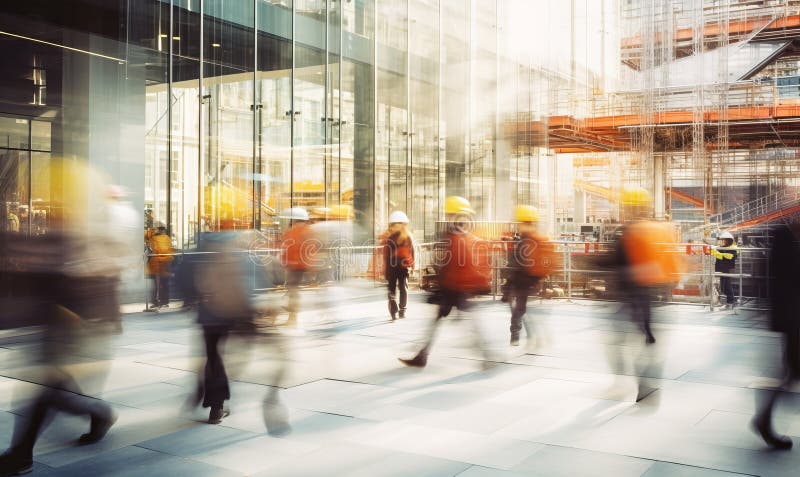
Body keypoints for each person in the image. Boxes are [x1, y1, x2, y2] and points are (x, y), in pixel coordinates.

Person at [399, 196, 491, 368]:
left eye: (450, 214)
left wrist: (446, 283)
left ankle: (487, 355)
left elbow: (460, 265)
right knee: (447, 322)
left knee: (467, 323)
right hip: (453, 290)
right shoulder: (457, 235)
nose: (449, 217)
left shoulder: (458, 237)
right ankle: (422, 356)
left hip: (456, 289)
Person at [752, 222, 800, 450]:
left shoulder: (782, 241)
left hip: (788, 320)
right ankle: (763, 419)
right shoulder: (789, 244)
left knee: (791, 373)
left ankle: (764, 418)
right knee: (791, 373)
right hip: (793, 320)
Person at [506, 205, 560, 346]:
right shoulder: (534, 239)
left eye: (521, 224)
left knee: (521, 309)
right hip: (527, 281)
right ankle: (521, 335)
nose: (520, 227)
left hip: (525, 281)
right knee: (521, 309)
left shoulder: (526, 240)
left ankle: (519, 335)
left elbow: (514, 263)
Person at [280, 207, 315, 327]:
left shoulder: (292, 231)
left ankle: (292, 318)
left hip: (294, 265)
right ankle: (292, 317)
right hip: (303, 264)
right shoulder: (309, 231)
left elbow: (286, 248)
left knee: (293, 290)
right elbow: (312, 247)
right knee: (293, 290)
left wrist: (285, 262)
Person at [382, 211, 415, 321]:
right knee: (402, 288)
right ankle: (400, 310)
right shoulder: (407, 237)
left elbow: (386, 254)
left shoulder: (390, 237)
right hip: (401, 267)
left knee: (393, 290)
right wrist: (413, 265)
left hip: (394, 267)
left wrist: (385, 270)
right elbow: (412, 252)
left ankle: (396, 310)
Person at [146, 225, 174, 310]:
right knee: (165, 284)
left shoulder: (154, 239)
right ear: (164, 231)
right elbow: (169, 251)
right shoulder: (167, 239)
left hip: (156, 264)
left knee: (156, 285)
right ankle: (164, 302)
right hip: (166, 263)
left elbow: (154, 249)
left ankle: (156, 302)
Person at [712, 230, 738, 309]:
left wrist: (718, 253)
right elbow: (717, 252)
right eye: (722, 240)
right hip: (722, 269)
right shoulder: (722, 248)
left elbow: (729, 256)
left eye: (724, 240)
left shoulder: (732, 249)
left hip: (727, 269)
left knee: (726, 286)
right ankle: (732, 300)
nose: (722, 242)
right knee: (724, 287)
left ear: (729, 241)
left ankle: (731, 301)